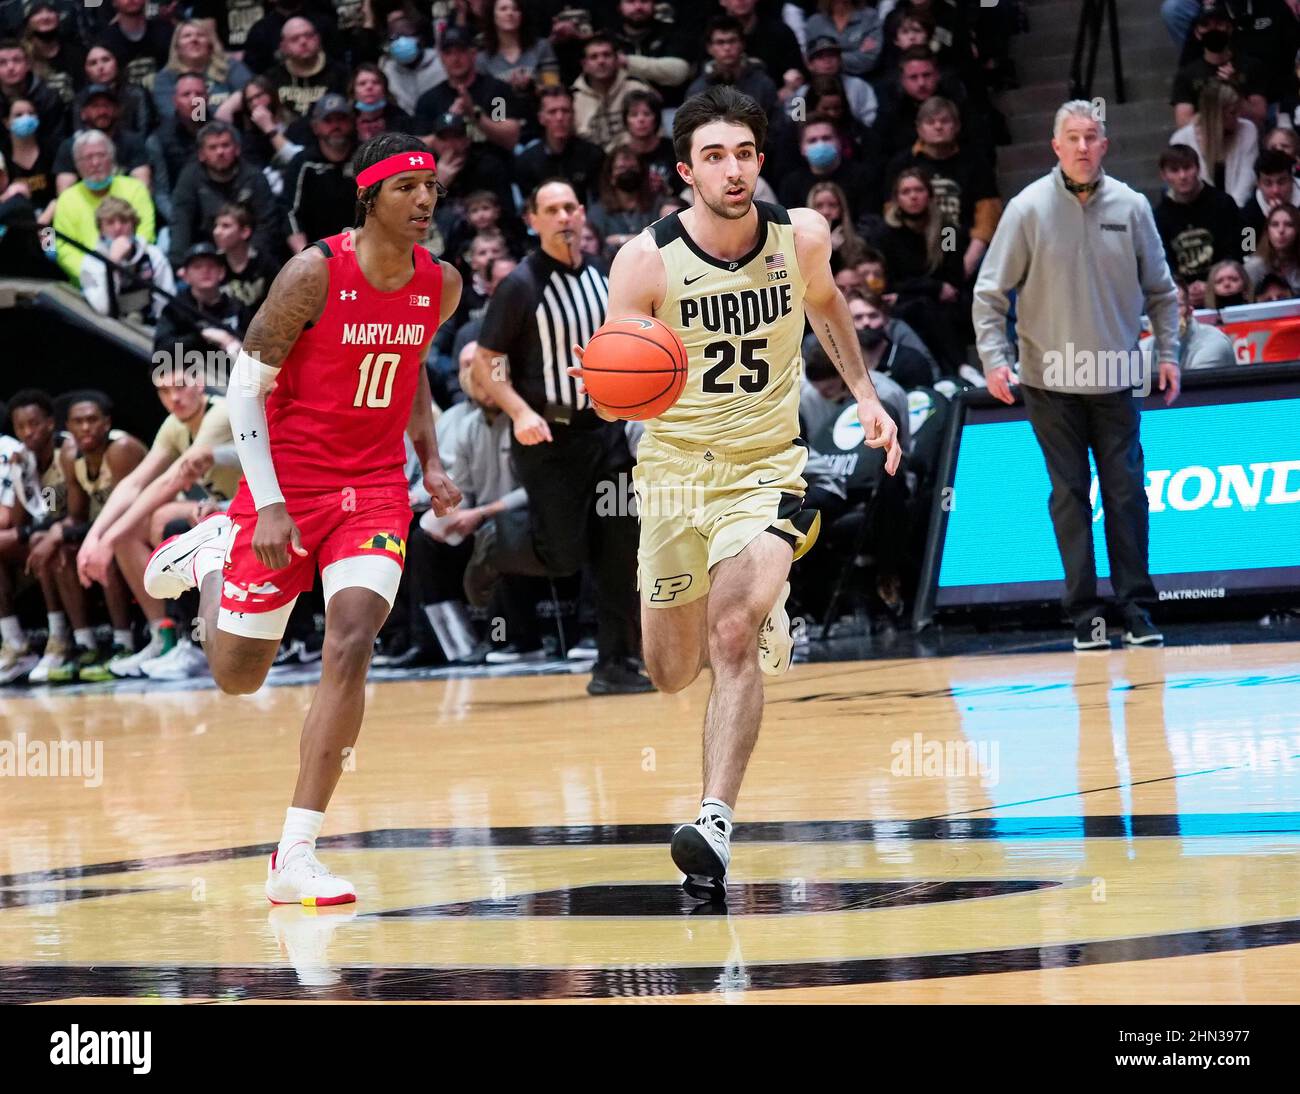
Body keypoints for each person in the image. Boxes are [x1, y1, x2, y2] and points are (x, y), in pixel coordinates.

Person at [570, 87, 900, 901]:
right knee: (670, 670)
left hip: (767, 467)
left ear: (760, 160)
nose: (733, 169)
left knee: (730, 631)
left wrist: (862, 393)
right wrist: (615, 392)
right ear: (686, 171)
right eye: (714, 156)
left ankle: (715, 822)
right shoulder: (644, 260)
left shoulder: (803, 239)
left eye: (745, 153)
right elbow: (616, 387)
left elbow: (826, 310)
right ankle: (761, 611)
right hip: (676, 472)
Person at [139, 133, 462, 906]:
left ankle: (296, 854)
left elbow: (411, 370)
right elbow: (244, 394)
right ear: (368, 198)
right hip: (284, 482)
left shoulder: (440, 283)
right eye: (406, 188)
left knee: (351, 640)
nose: (423, 201)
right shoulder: (312, 273)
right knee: (237, 675)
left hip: (375, 488)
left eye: (431, 188)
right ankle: (216, 553)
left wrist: (433, 458)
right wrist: (272, 505)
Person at [973, 101, 1179, 652]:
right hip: (1049, 379)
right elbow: (989, 294)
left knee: (1128, 493)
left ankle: (1136, 607)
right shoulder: (1027, 208)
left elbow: (1162, 292)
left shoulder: (1132, 207)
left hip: (1117, 374)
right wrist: (995, 359)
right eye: (1074, 137)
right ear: (1056, 147)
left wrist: (1169, 355)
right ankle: (1085, 613)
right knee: (1069, 494)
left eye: (1093, 137)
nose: (1084, 146)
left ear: (1105, 146)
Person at [471, 178, 653, 696]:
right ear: (533, 220)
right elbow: (487, 363)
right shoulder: (521, 285)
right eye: (551, 209)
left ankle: (615, 664)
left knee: (619, 549)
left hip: (607, 433)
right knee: (565, 556)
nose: (565, 216)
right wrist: (521, 412)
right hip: (548, 439)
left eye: (571, 206)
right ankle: (495, 545)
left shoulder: (603, 275)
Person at [76, 368, 242, 678]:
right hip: (219, 512)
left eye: (180, 386)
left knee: (165, 519)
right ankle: (165, 635)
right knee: (131, 535)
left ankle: (194, 643)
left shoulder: (220, 414)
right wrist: (95, 538)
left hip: (259, 509)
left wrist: (106, 540)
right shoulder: (173, 425)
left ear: (200, 383)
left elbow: (170, 481)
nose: (174, 398)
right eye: (164, 391)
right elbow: (135, 482)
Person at [29, 392, 147, 680]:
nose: (85, 428)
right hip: (104, 528)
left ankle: (124, 643)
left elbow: (127, 513)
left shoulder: (121, 449)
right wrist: (56, 533)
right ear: (67, 426)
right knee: (59, 551)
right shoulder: (71, 457)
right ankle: (84, 644)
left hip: (141, 527)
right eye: (78, 422)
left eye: (92, 420)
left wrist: (62, 532)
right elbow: (77, 515)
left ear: (106, 423)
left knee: (105, 549)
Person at [1153, 142, 1244, 308]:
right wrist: (1184, 290)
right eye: (1174, 170)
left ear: (1198, 168)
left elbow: (1241, 248)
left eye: (1187, 168)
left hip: (1226, 289)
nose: (1182, 176)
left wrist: (1212, 285)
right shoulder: (1159, 216)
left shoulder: (1224, 203)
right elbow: (1162, 261)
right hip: (1182, 298)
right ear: (1164, 175)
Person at [79, 195, 173, 322]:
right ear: (101, 230)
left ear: (134, 225)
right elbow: (103, 308)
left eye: (124, 221)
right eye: (110, 222)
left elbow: (166, 301)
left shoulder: (153, 255)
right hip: (110, 329)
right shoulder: (91, 262)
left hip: (149, 327)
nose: (118, 228)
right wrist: (112, 264)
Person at [514, 85, 605, 205]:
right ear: (541, 118)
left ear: (573, 115)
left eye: (565, 111)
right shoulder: (527, 162)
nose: (560, 117)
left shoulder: (593, 155)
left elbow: (599, 204)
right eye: (552, 112)